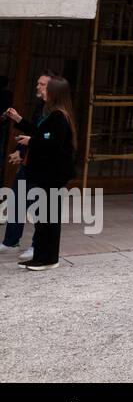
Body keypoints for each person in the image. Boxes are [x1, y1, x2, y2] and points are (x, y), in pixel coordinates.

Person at [4, 74, 77, 271]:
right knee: (44, 219)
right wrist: (23, 125)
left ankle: (47, 258)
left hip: (53, 175)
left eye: (46, 87)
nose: (41, 89)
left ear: (55, 92)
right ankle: (42, 256)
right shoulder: (51, 113)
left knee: (48, 219)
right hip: (46, 174)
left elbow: (53, 144)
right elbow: (41, 133)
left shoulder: (59, 116)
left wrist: (31, 142)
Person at [1, 71, 50, 258]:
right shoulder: (41, 107)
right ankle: (11, 241)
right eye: (38, 83)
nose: (37, 86)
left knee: (38, 207)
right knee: (16, 202)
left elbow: (47, 139)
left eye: (42, 84)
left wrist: (32, 142)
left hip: (43, 166)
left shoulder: (58, 112)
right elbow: (35, 133)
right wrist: (20, 152)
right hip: (29, 163)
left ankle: (39, 245)